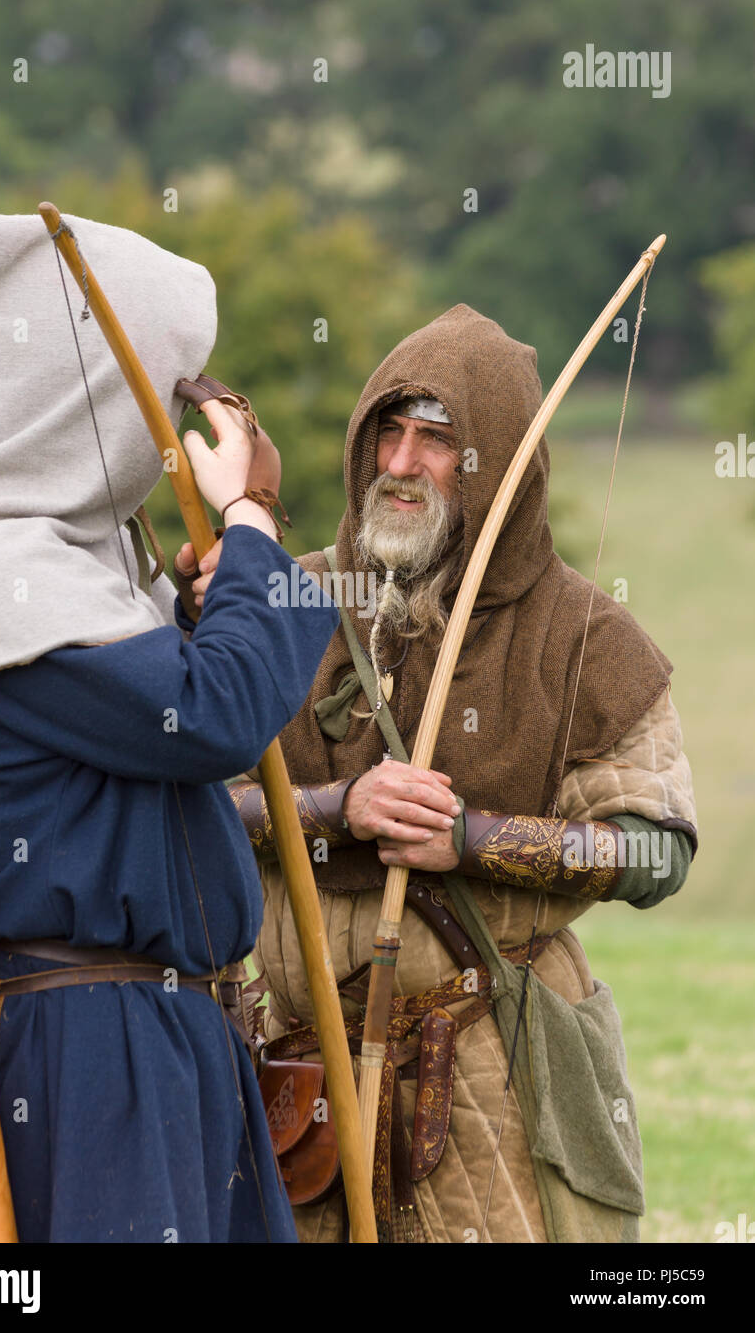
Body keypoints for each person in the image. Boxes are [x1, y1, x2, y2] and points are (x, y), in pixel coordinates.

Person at [0, 209, 338, 1243]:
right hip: (76, 1058)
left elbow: (139, 730)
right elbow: (213, 713)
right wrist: (253, 525)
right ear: (94, 391)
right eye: (165, 391)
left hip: (126, 1039)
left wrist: (199, 607)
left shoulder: (56, 560)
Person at [209, 303, 698, 1243]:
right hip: (291, 1082)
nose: (398, 465)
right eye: (386, 433)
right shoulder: (283, 603)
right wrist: (333, 809)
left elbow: (654, 851)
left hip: (493, 1076)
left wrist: (466, 839)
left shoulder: (585, 636)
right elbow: (175, 804)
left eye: (436, 440)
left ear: (501, 459)